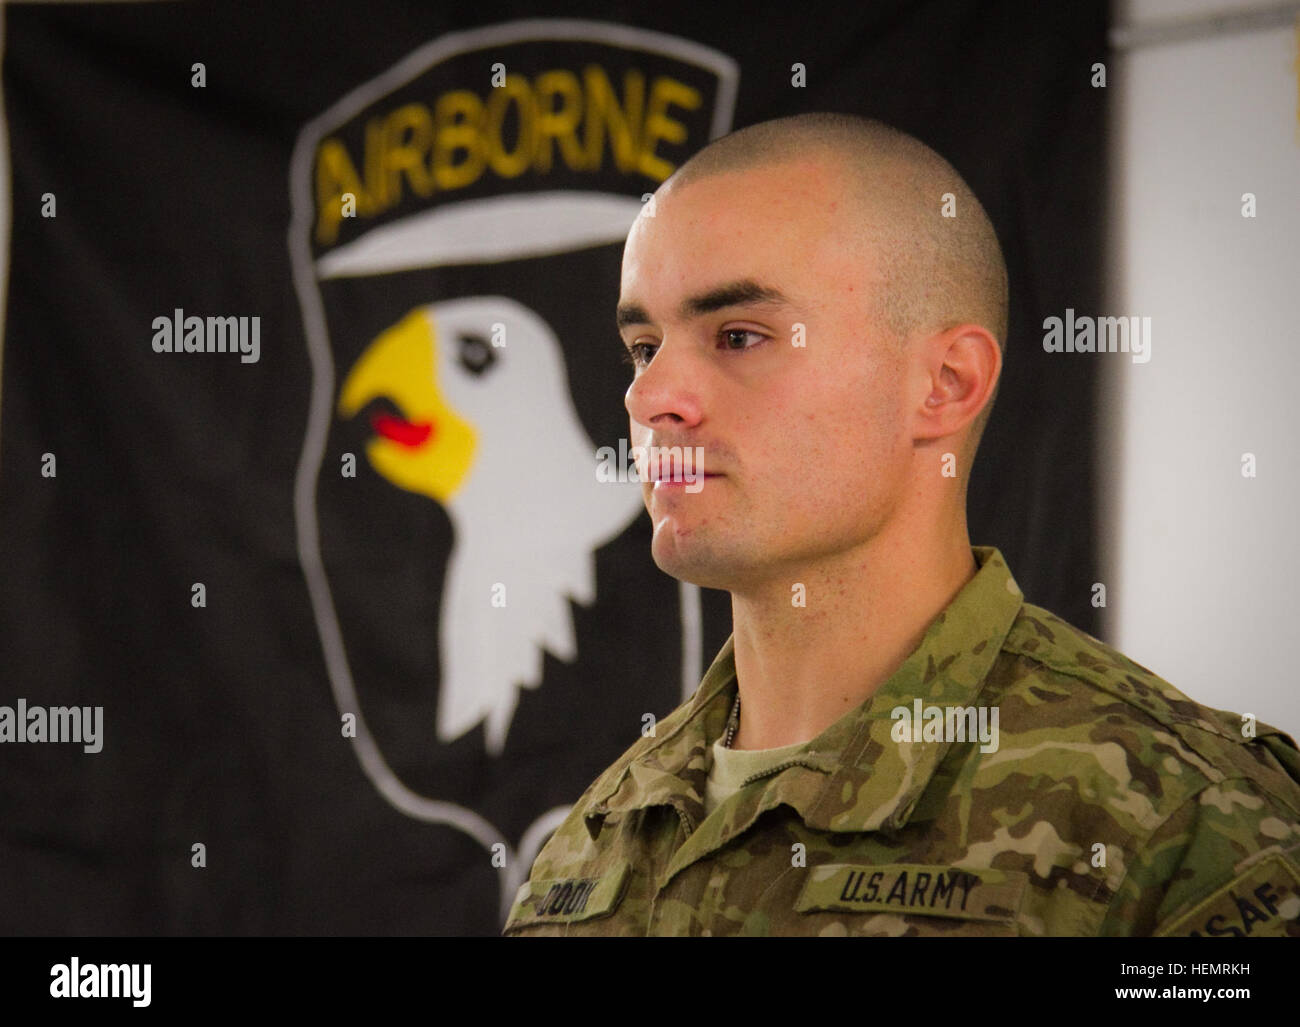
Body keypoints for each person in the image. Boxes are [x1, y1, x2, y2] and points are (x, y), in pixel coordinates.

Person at [503, 112, 1300, 937]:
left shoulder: (1184, 829)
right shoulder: (595, 842)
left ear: (946, 384)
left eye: (738, 336)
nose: (648, 397)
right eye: (643, 345)